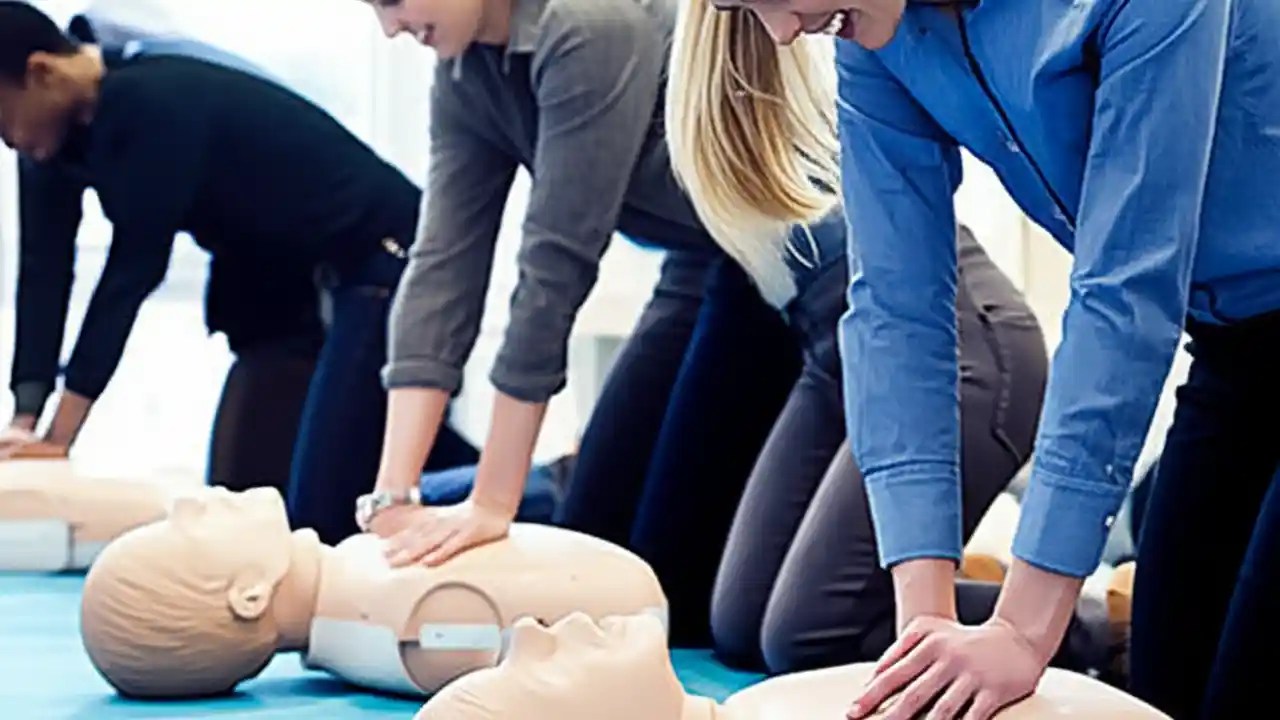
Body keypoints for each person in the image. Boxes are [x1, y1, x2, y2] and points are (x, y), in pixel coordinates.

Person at [700, 1, 1280, 719]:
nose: (779, 32)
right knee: (1168, 682)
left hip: (1217, 312)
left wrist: (1021, 628)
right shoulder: (870, 36)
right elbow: (897, 308)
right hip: (1236, 348)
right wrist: (922, 631)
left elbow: (1124, 292)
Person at [665, 2, 1122, 681]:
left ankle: (1100, 627)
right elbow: (880, 318)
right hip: (841, 359)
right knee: (738, 624)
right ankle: (992, 585)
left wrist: (1018, 628)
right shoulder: (843, 50)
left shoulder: (859, 47)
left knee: (807, 635)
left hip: (978, 352)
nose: (784, 33)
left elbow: (1111, 298)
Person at [352, 0, 804, 646]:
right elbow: (442, 272)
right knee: (588, 535)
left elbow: (554, 269)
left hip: (782, 268)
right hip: (698, 263)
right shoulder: (463, 74)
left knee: (665, 587)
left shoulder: (588, 26)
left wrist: (491, 503)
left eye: (392, 2)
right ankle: (561, 473)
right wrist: (392, 499)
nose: (390, 28)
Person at [0, 1, 478, 543]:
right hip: (290, 294)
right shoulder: (50, 138)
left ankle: (543, 500)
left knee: (317, 514)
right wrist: (25, 421)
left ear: (41, 72)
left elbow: (132, 271)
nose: (8, 141)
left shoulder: (150, 100)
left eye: (1, 119)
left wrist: (61, 436)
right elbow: (43, 271)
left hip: (385, 257)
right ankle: (529, 484)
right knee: (245, 510)